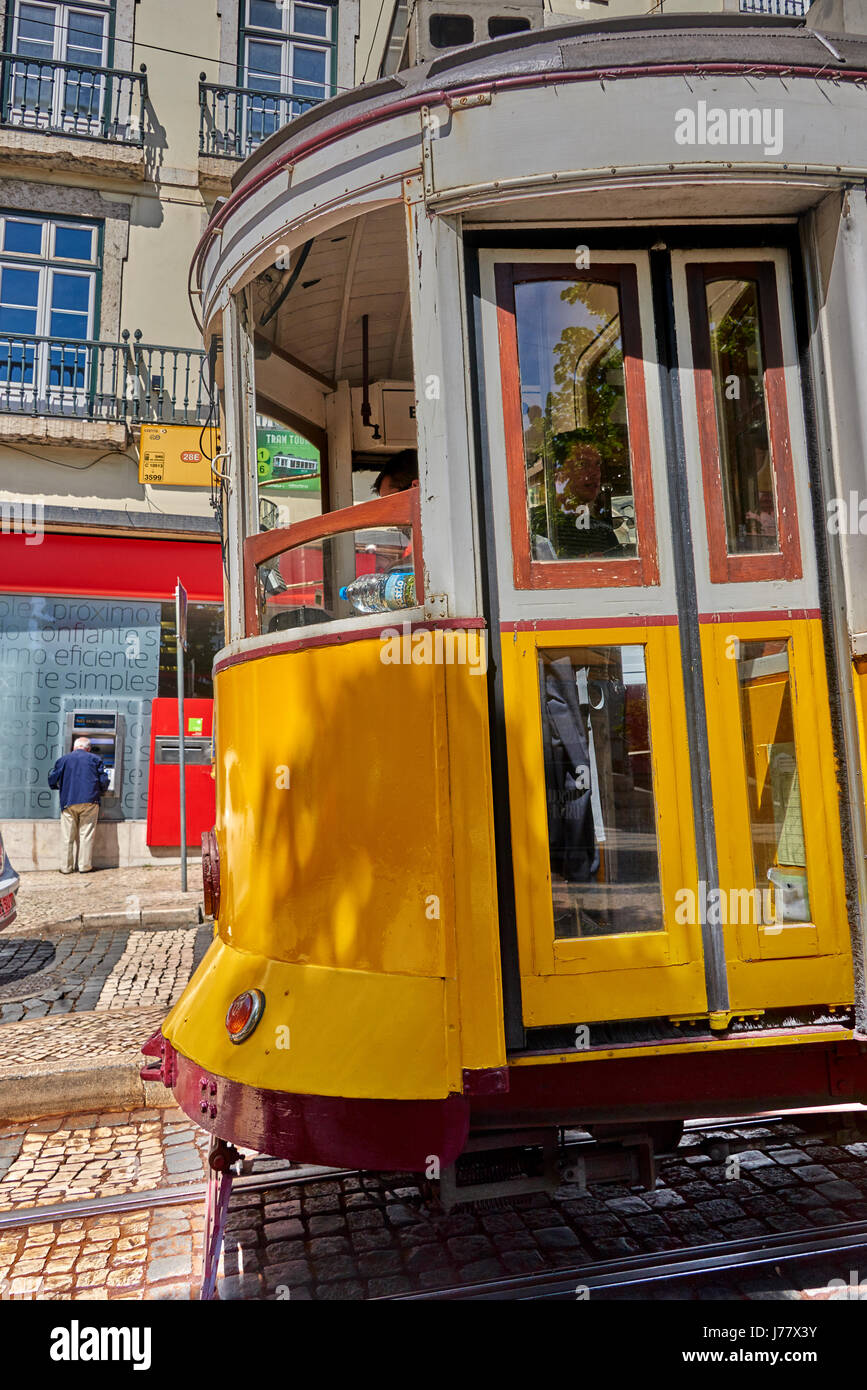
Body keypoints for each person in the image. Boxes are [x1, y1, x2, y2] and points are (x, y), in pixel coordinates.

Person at [530, 431, 621, 560]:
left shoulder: (603, 532)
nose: (595, 472)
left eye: (597, 464)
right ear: (557, 473)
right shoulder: (534, 524)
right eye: (582, 464)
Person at [47, 737, 110, 874]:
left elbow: (52, 779)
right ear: (88, 748)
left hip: (68, 801)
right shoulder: (95, 759)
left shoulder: (64, 760)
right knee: (86, 835)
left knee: (67, 836)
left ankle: (66, 867)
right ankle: (84, 867)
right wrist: (101, 789)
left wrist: (57, 787)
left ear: (74, 747)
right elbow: (103, 780)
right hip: (90, 801)